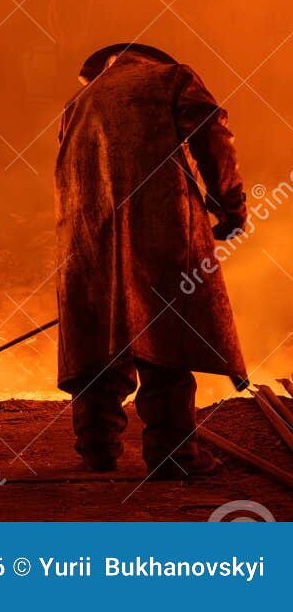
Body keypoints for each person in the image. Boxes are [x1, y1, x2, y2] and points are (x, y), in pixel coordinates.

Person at [55, 42, 249, 479]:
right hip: (158, 223)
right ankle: (172, 454)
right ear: (150, 57)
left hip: (86, 238)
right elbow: (211, 132)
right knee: (164, 333)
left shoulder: (76, 104)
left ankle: (97, 447)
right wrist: (229, 204)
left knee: (99, 333)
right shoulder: (171, 77)